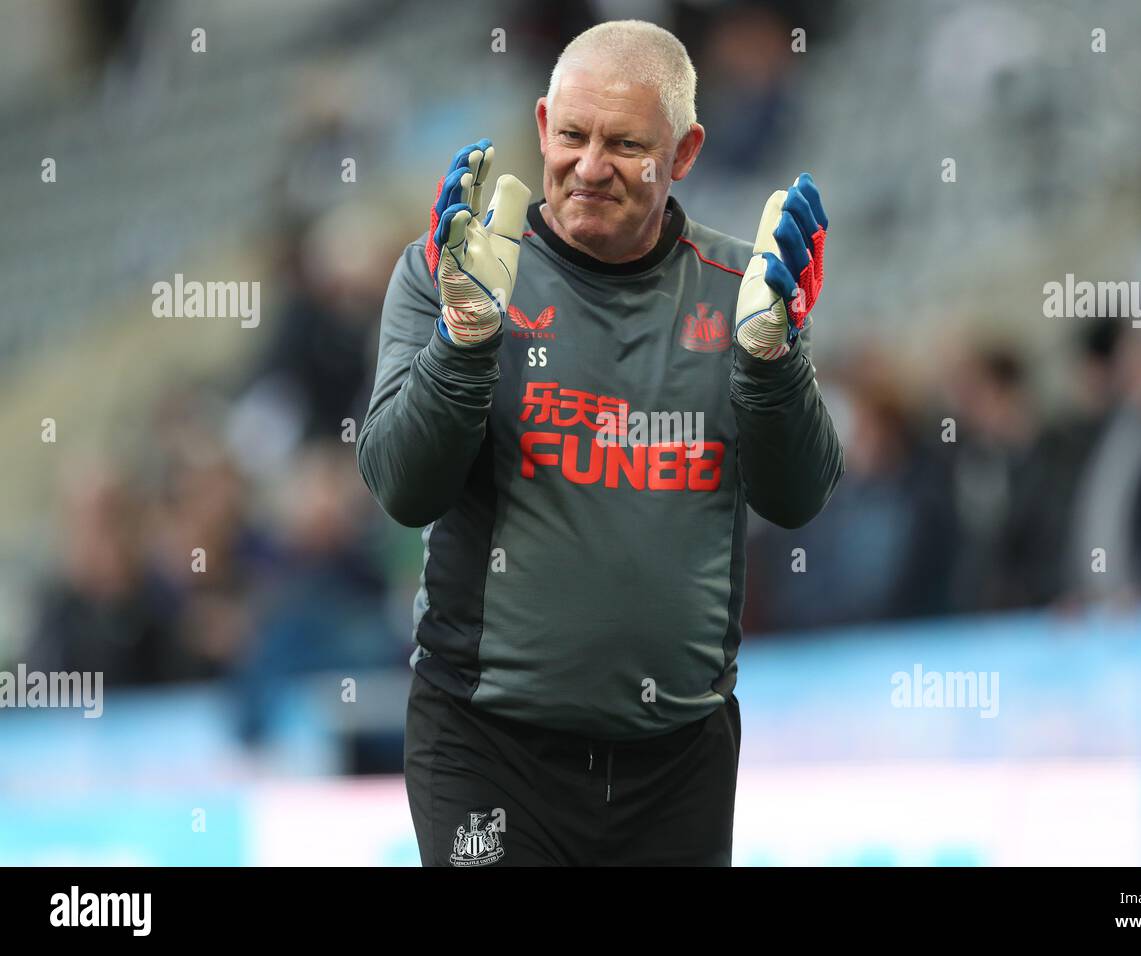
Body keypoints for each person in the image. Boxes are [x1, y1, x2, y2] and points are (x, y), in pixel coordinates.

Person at [357, 20, 843, 866]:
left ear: (684, 151)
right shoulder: (453, 271)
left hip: (680, 758)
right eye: (573, 135)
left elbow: (798, 499)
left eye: (625, 144)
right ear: (542, 126)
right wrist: (464, 341)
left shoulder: (744, 292)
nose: (589, 165)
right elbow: (402, 484)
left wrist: (770, 362)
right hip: (485, 745)